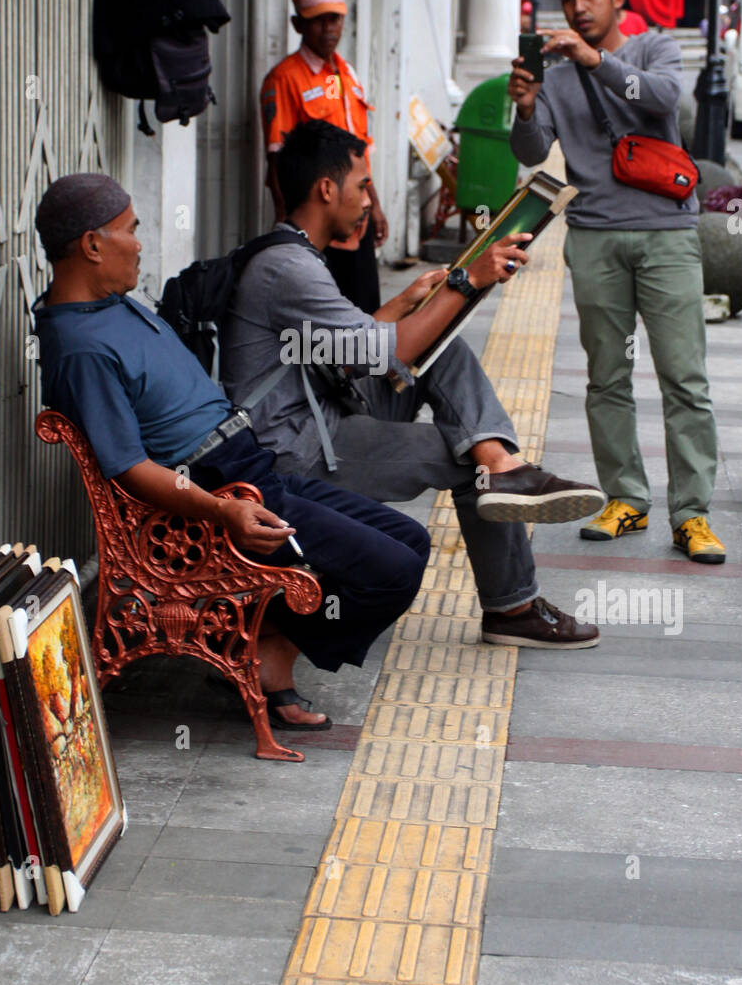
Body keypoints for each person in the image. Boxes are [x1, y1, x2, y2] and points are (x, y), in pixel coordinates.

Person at [31, 173, 431, 730]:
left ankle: (251, 641)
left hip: (249, 462)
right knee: (391, 571)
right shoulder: (81, 348)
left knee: (412, 539)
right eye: (131, 231)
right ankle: (265, 653)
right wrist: (224, 511)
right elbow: (128, 467)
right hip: (218, 489)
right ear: (93, 246)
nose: (141, 243)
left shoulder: (112, 304)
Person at [221, 119, 606, 650]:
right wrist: (467, 280)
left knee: (445, 349)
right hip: (297, 452)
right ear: (326, 189)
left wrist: (407, 305)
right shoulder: (288, 268)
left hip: (324, 414)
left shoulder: (292, 256)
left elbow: (346, 354)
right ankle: (511, 601)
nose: (367, 200)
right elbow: (386, 352)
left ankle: (502, 465)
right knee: (464, 453)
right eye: (362, 185)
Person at [507, 0, 724, 563]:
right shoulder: (552, 71)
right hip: (595, 236)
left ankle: (693, 514)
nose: (577, 9)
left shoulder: (655, 46)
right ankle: (625, 497)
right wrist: (524, 104)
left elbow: (660, 99)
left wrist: (595, 61)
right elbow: (530, 151)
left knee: (685, 378)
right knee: (607, 378)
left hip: (667, 235)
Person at [260, 0, 386, 311]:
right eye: (317, 19)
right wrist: (292, 237)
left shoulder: (346, 74)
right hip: (319, 229)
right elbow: (277, 165)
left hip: (355, 222)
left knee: (365, 313)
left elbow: (360, 151)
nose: (328, 28)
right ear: (297, 24)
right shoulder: (284, 78)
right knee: (326, 325)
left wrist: (375, 204)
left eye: (335, 18)